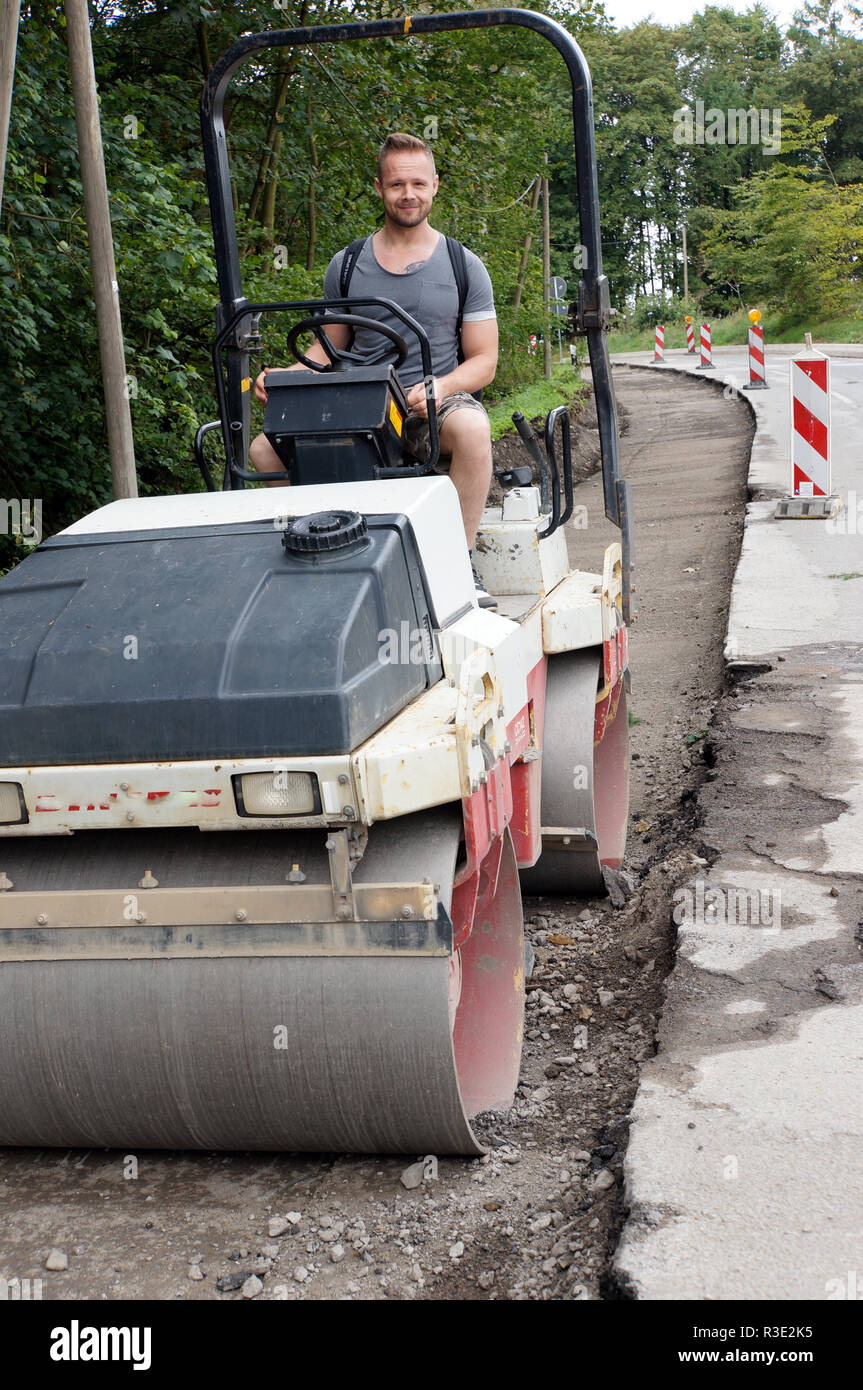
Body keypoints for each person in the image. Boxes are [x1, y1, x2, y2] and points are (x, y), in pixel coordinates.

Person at [251, 131, 499, 607]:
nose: (408, 194)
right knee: (264, 448)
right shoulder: (346, 266)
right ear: (380, 188)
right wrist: (284, 376)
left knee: (471, 427)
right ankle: (312, 559)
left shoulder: (463, 265)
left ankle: (460, 565)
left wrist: (438, 386)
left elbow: (484, 360)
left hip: (429, 406)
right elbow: (326, 351)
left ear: (434, 186)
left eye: (418, 184)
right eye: (397, 184)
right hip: (357, 405)